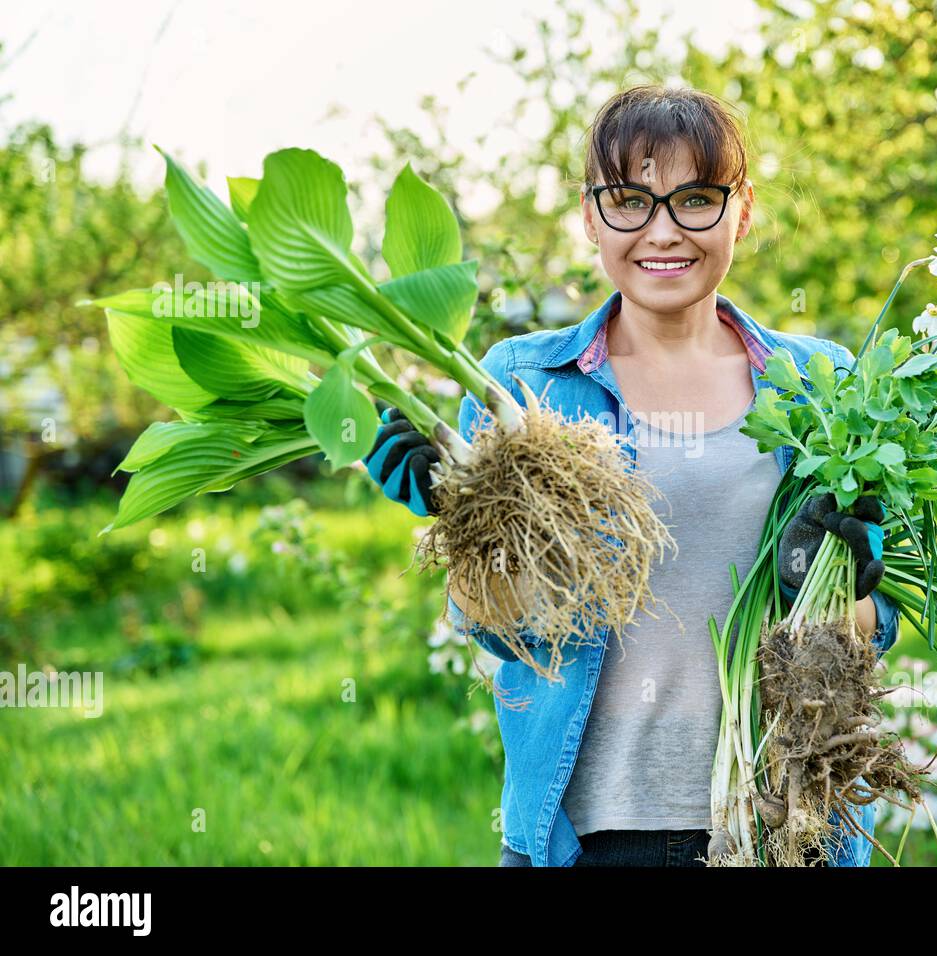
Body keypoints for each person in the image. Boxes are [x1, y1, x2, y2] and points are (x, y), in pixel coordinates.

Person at [365, 85, 900, 867]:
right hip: (588, 833)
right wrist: (465, 524)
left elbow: (868, 636)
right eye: (629, 200)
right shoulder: (520, 384)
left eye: (695, 199)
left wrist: (834, 585)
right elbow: (495, 629)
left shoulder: (826, 384)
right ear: (590, 216)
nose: (662, 232)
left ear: (741, 210)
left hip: (785, 828)